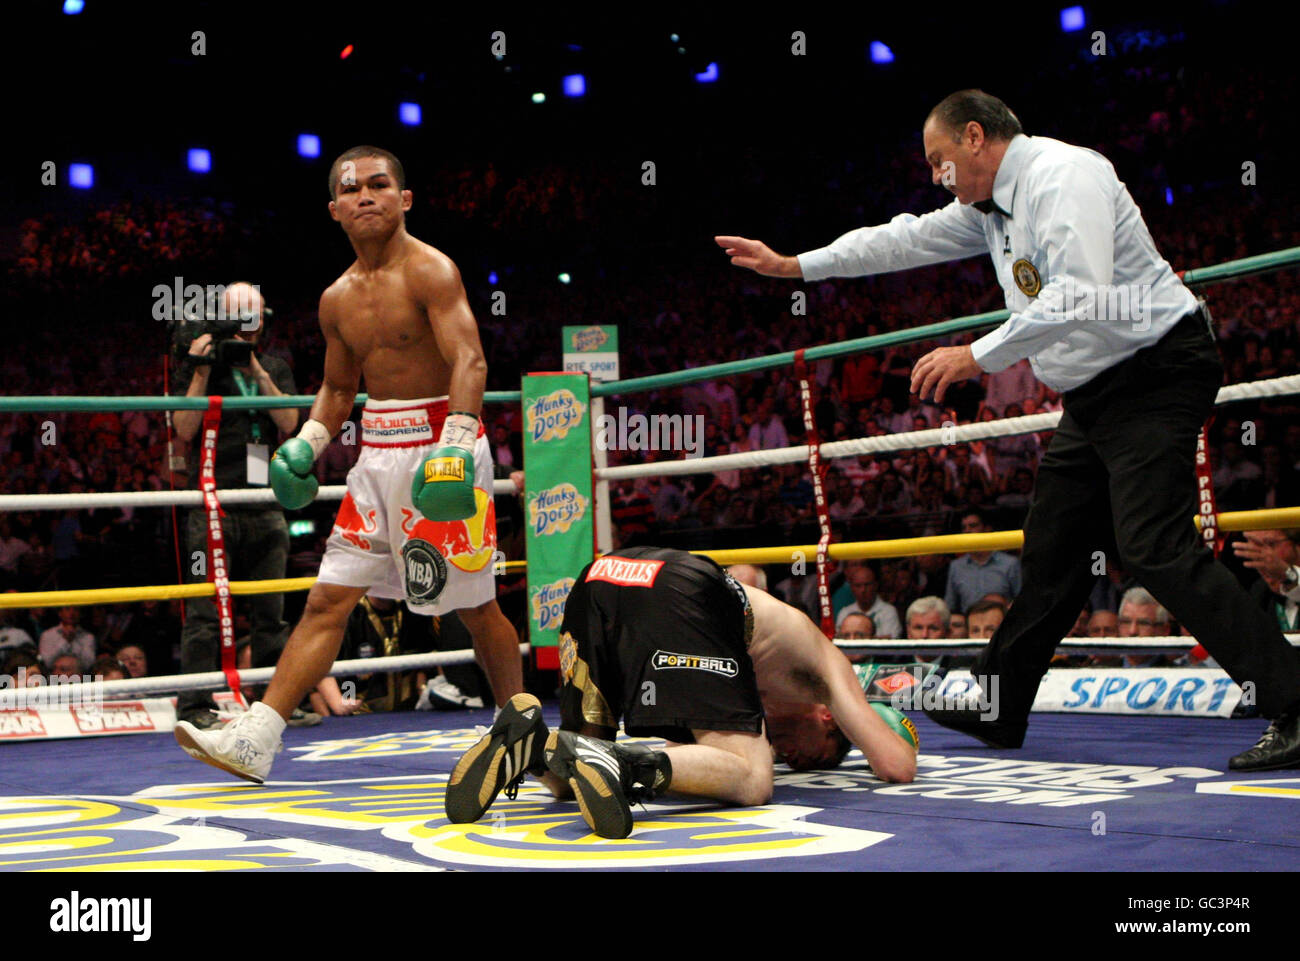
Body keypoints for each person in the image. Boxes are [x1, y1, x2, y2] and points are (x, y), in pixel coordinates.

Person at [717, 89, 1300, 770]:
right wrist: (797, 266)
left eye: (939, 160)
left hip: (1157, 367)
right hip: (1099, 392)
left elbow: (1081, 292)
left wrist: (976, 356)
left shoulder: (1063, 175)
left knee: (1152, 543)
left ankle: (1291, 699)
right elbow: (904, 237)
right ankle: (999, 703)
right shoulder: (990, 209)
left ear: (973, 137)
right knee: (1054, 545)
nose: (936, 177)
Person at [174, 145, 525, 783]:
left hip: (441, 444)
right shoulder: (336, 298)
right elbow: (339, 392)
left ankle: (518, 727)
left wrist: (456, 444)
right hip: (377, 455)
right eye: (352, 189)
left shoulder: (433, 271)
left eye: (380, 184)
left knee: (475, 608)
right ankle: (258, 736)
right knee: (327, 599)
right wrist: (307, 442)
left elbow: (470, 360)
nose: (366, 196)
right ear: (334, 209)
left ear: (405, 198)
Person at [444, 547, 918, 839]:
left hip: (602, 576)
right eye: (809, 757)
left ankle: (528, 745)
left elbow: (688, 758)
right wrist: (892, 724)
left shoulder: (746, 683)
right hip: (682, 592)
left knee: (570, 775)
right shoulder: (826, 667)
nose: (790, 757)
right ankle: (619, 761)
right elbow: (896, 765)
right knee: (754, 781)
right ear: (828, 720)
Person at [171, 282, 297, 730]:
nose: (244, 327)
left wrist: (256, 367)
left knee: (271, 611)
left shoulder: (276, 366)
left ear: (263, 319)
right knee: (205, 612)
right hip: (212, 500)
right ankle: (194, 707)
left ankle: (272, 705)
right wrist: (202, 370)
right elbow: (183, 429)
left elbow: (289, 421)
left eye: (252, 316)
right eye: (235, 318)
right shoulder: (197, 363)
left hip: (263, 502)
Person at [942, 510, 1021, 615]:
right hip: (969, 628)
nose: (967, 531)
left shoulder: (1010, 563)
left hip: (1004, 626)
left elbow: (1021, 600)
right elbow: (950, 606)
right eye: (964, 528)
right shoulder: (956, 566)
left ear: (987, 529)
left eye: (973, 526)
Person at [835, 561, 901, 638]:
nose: (863, 590)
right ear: (851, 588)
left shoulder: (889, 611)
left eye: (867, 585)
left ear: (875, 585)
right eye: (858, 585)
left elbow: (891, 641)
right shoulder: (844, 613)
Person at [38, 606, 94, 670]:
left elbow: (89, 664)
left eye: (75, 609)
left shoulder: (88, 637)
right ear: (60, 613)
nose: (72, 613)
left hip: (81, 677)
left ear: (80, 614)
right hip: (54, 677)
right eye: (67, 609)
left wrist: (73, 642)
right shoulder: (47, 635)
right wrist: (65, 641)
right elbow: (47, 663)